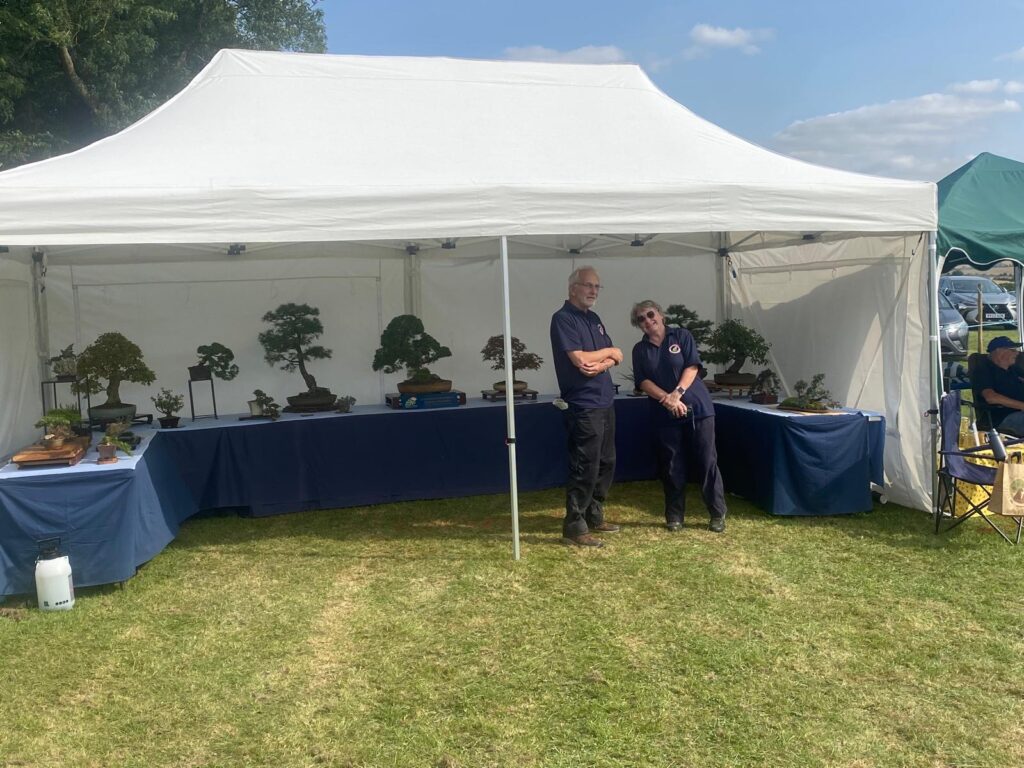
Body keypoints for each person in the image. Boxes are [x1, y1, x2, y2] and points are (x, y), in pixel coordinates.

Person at [630, 300, 727, 532]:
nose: (647, 320)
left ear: (661, 315)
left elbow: (692, 367)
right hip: (664, 413)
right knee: (672, 464)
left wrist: (677, 394)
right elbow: (643, 381)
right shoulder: (640, 350)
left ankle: (717, 513)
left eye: (650, 314)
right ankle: (674, 516)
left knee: (706, 461)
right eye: (641, 319)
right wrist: (668, 400)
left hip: (698, 409)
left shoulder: (682, 335)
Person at [549, 266, 624, 548]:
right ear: (573, 289)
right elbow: (580, 360)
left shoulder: (594, 319)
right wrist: (609, 353)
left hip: (605, 399)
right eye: (588, 285)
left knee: (607, 462)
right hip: (583, 404)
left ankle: (595, 513)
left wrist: (604, 360)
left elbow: (606, 360)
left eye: (597, 286)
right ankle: (574, 525)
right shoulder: (563, 319)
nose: (593, 291)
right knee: (585, 465)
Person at [973, 335, 1024, 436]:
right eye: (1013, 350)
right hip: (1001, 417)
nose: (1017, 353)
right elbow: (991, 397)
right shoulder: (984, 371)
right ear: (999, 352)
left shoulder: (1013, 370)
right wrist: (1022, 406)